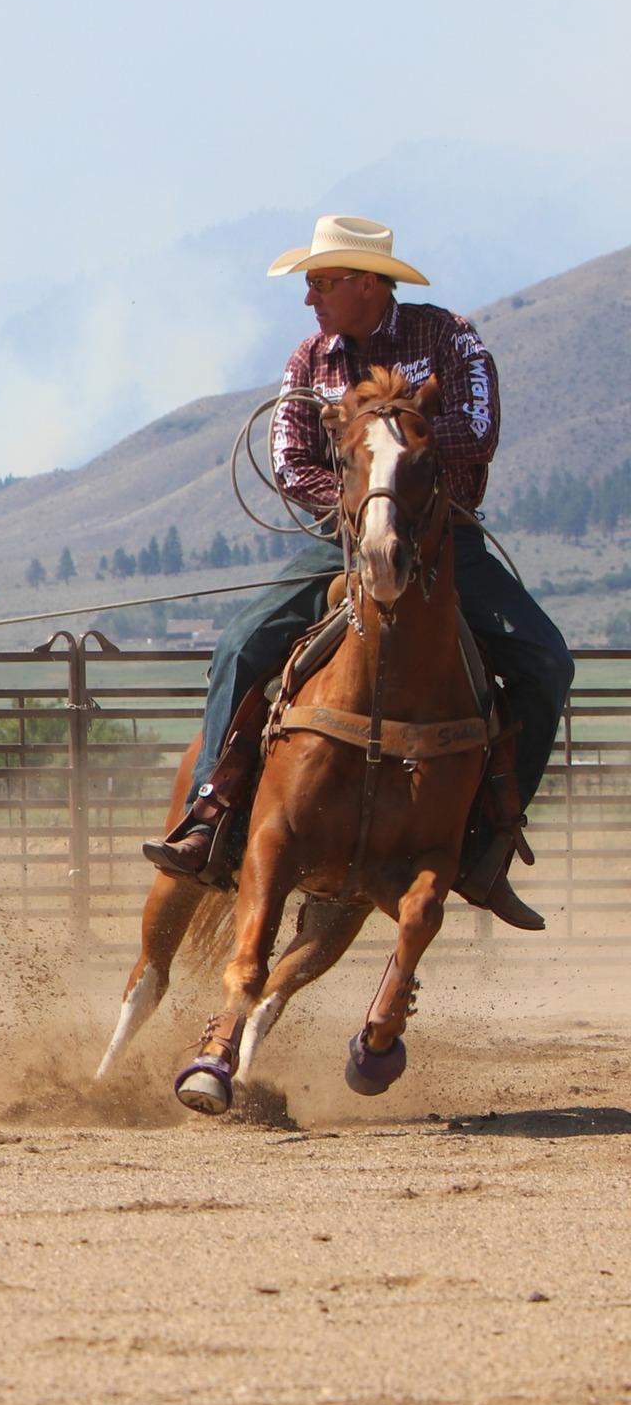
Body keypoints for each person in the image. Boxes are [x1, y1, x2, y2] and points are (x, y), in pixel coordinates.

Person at [142, 215, 572, 929]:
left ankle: (488, 844)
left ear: (367, 283)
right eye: (310, 283)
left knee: (548, 662)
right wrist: (362, 505)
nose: (309, 297)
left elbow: (479, 429)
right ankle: (208, 817)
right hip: (341, 538)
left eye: (321, 282)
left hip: (445, 539)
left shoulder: (449, 337)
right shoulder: (309, 358)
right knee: (241, 644)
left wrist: (387, 440)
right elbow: (290, 462)